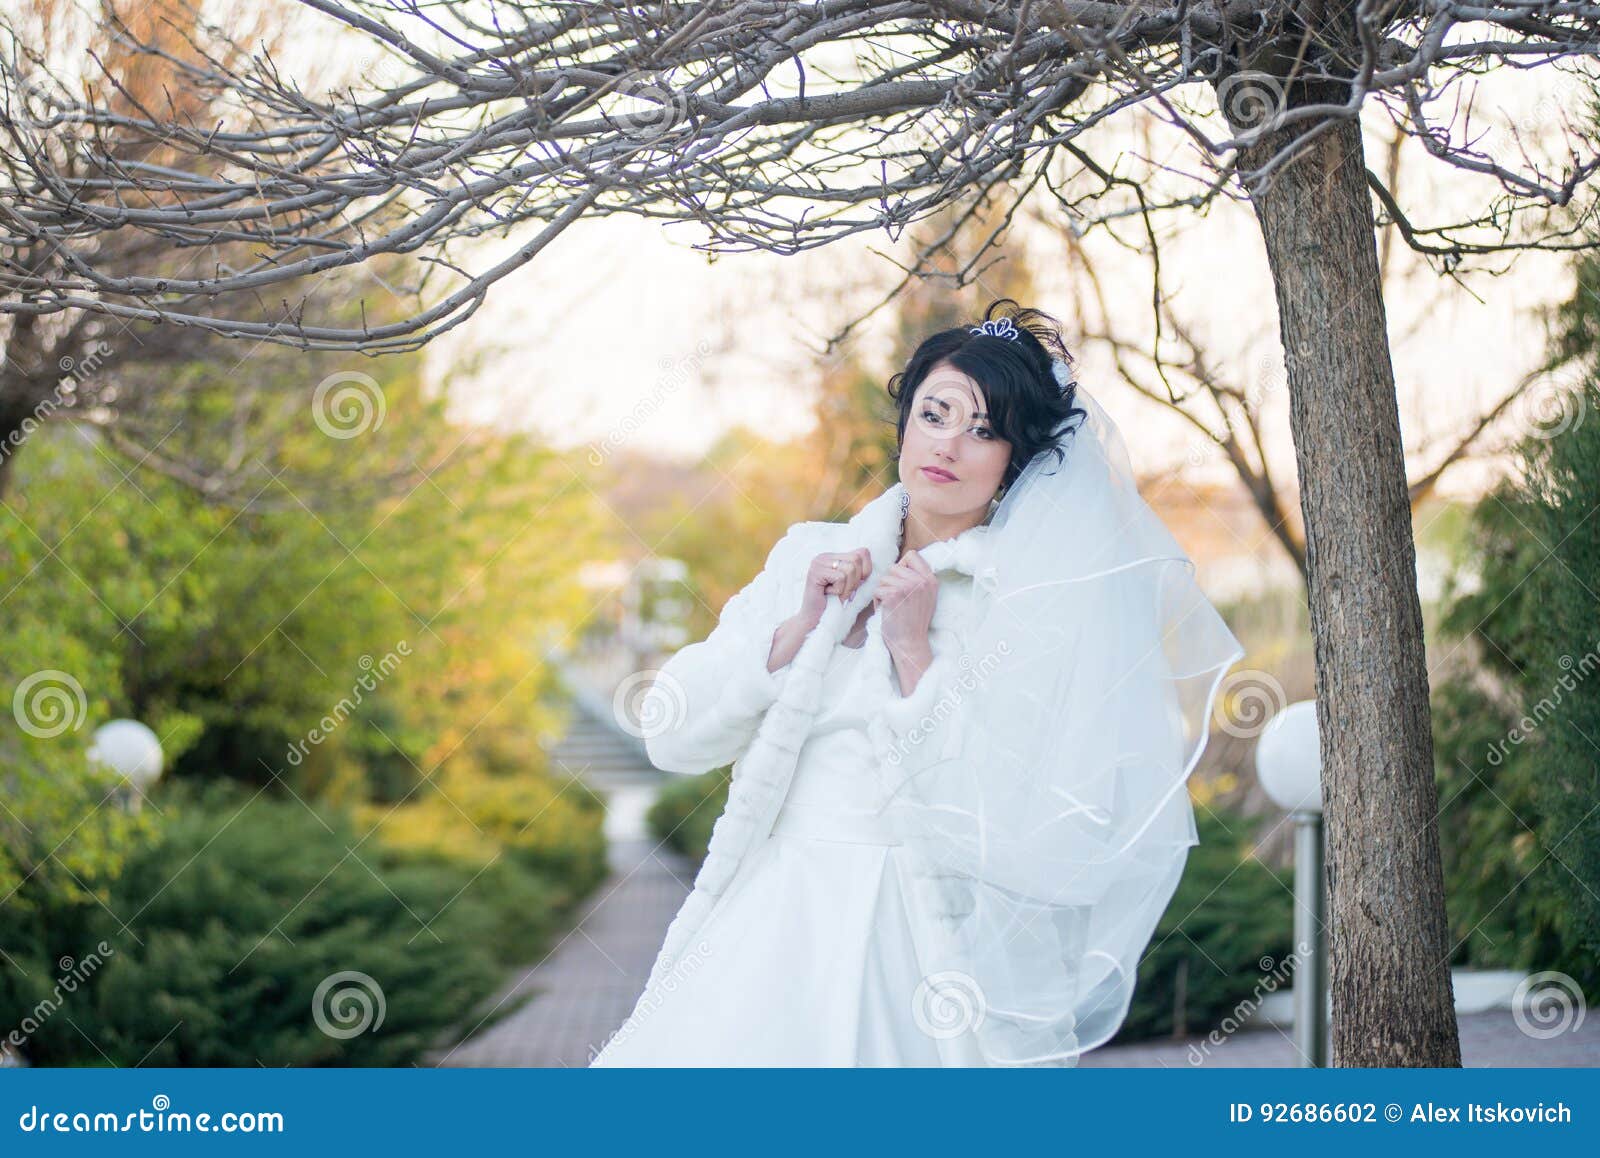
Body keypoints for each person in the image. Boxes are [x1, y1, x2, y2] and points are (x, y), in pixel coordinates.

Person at [590, 299, 1245, 1067]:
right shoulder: (810, 556)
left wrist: (913, 658)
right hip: (771, 915)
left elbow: (1030, 819)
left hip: (921, 940)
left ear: (1016, 460)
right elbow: (670, 736)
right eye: (934, 414)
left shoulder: (1026, 604)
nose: (949, 446)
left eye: (985, 431)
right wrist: (799, 630)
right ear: (904, 423)